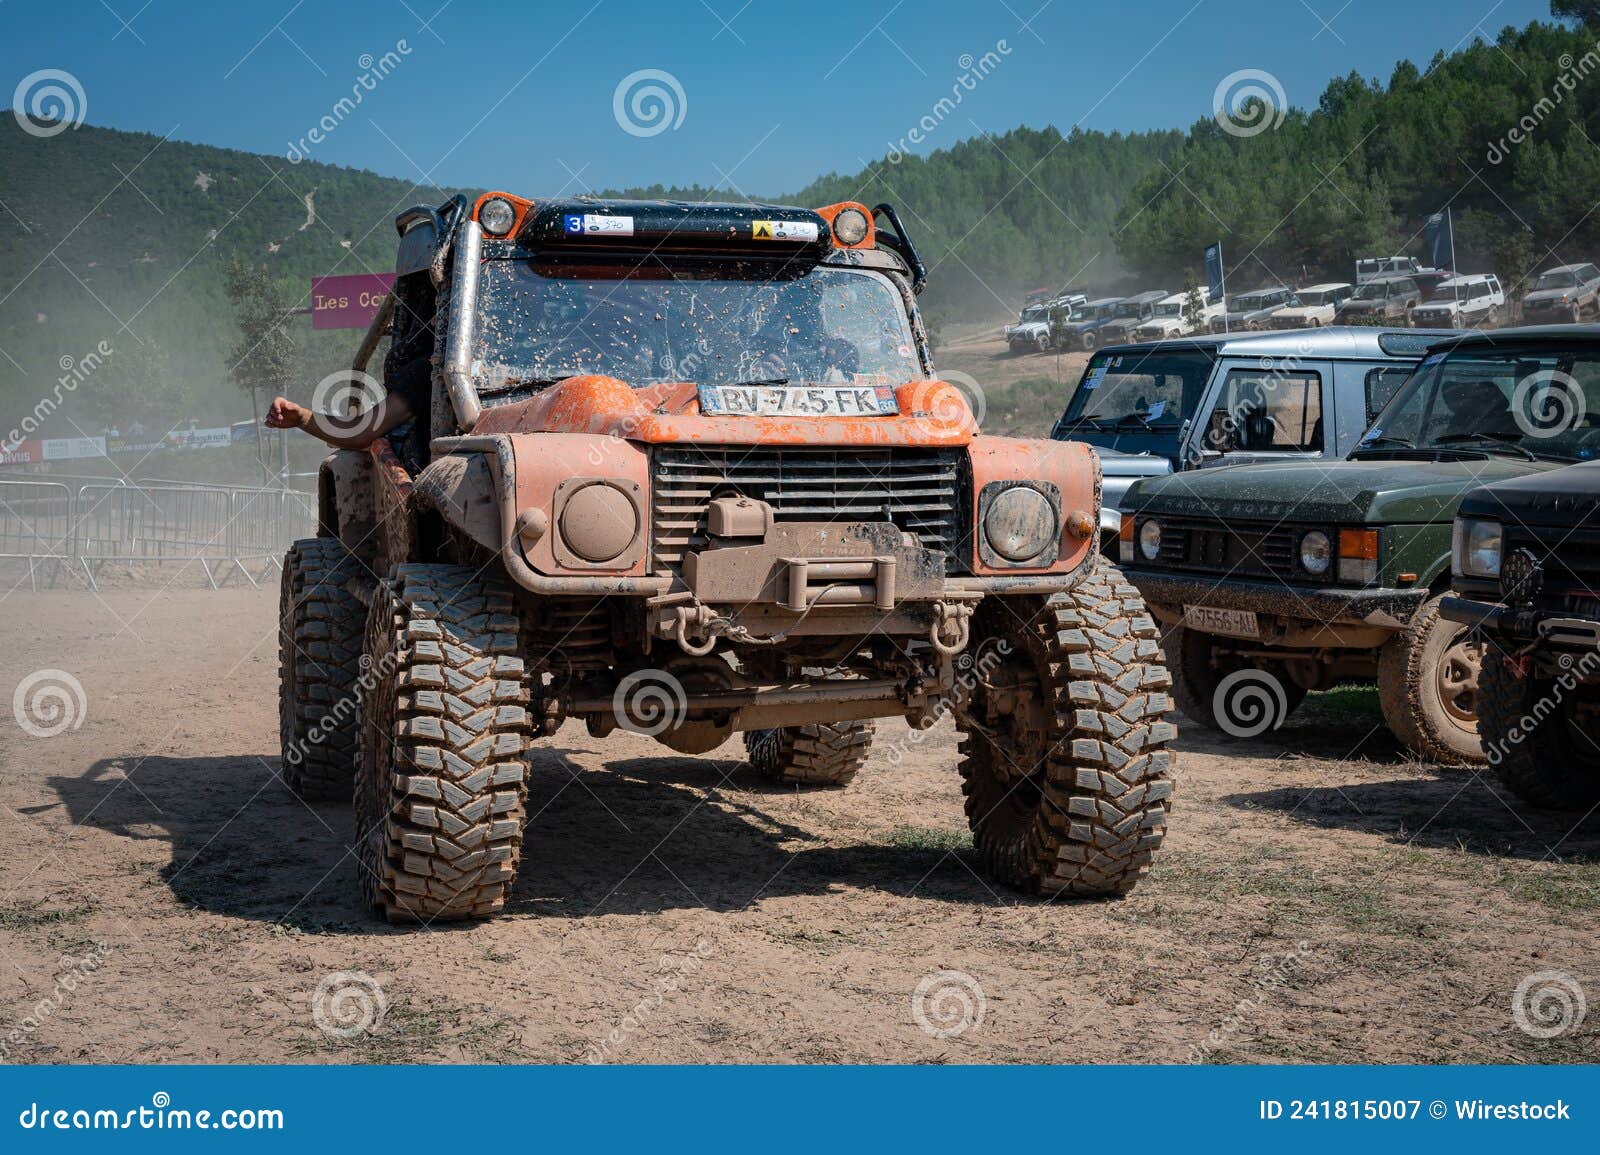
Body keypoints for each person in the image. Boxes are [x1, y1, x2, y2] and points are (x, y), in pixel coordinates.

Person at [266, 271, 437, 460]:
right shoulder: (433, 369)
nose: (434, 320)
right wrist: (301, 417)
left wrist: (301, 418)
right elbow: (360, 431)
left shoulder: (429, 370)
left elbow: (360, 433)